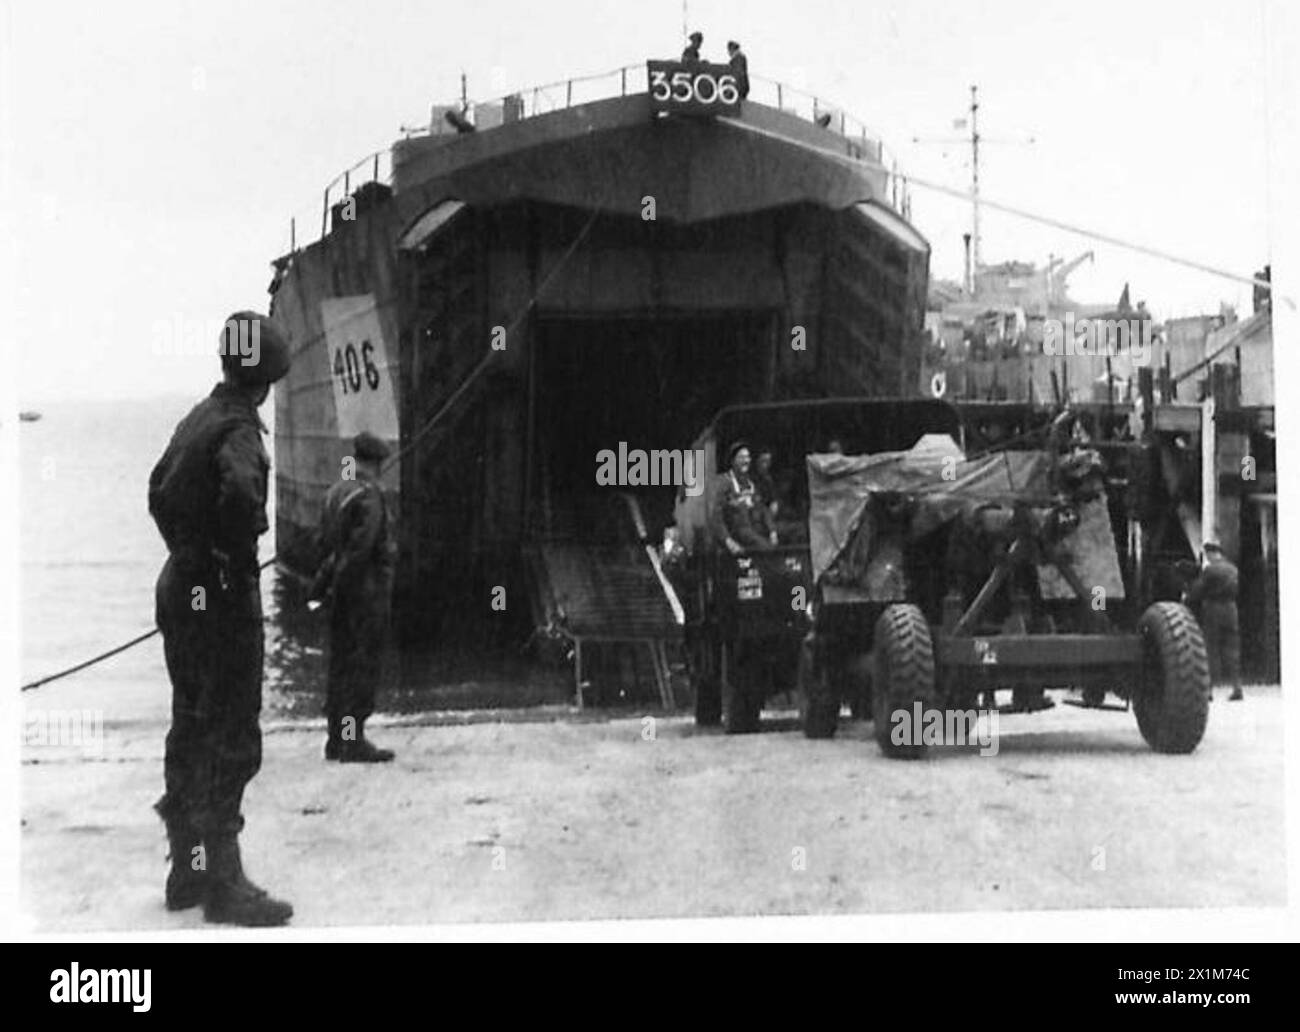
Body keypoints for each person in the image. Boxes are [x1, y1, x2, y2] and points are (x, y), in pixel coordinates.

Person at [148, 311, 294, 926]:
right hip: (222, 596)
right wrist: (233, 553)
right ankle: (224, 885)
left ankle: (186, 868)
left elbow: (156, 491)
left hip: (181, 588)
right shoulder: (237, 429)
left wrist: (190, 551)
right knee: (230, 735)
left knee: (190, 725)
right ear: (266, 378)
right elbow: (239, 497)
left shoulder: (196, 420)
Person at [315, 431, 398, 762]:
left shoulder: (336, 492)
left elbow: (323, 544)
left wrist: (327, 587)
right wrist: (352, 590)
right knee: (361, 668)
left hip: (339, 594)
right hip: (365, 595)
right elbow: (362, 550)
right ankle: (353, 741)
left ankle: (336, 739)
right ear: (376, 463)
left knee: (340, 666)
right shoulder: (370, 496)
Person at [1183, 541, 1243, 701]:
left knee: (1211, 650)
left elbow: (1198, 590)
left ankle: (1209, 690)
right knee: (1232, 650)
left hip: (1213, 609)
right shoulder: (1233, 569)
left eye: (1207, 554)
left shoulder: (1210, 570)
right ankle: (1237, 687)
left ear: (1210, 554)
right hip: (1231, 610)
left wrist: (1186, 595)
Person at [713, 442, 776, 554]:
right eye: (742, 457)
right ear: (732, 461)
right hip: (740, 534)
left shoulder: (750, 482)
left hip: (757, 530)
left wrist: (772, 531)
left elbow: (762, 508)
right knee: (767, 549)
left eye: (748, 457)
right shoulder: (723, 483)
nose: (746, 461)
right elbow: (716, 517)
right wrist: (728, 541)